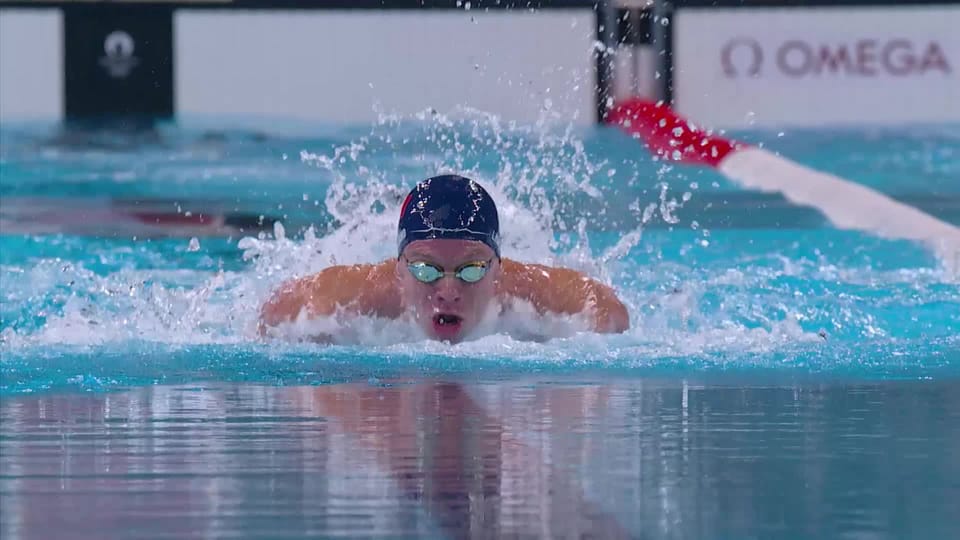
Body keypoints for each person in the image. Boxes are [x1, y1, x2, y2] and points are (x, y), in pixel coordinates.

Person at [259, 174, 629, 343]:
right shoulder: (355, 296)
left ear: (497, 271)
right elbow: (274, 315)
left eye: (470, 270)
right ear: (399, 269)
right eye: (425, 269)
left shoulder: (529, 293)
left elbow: (609, 311)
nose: (448, 290)